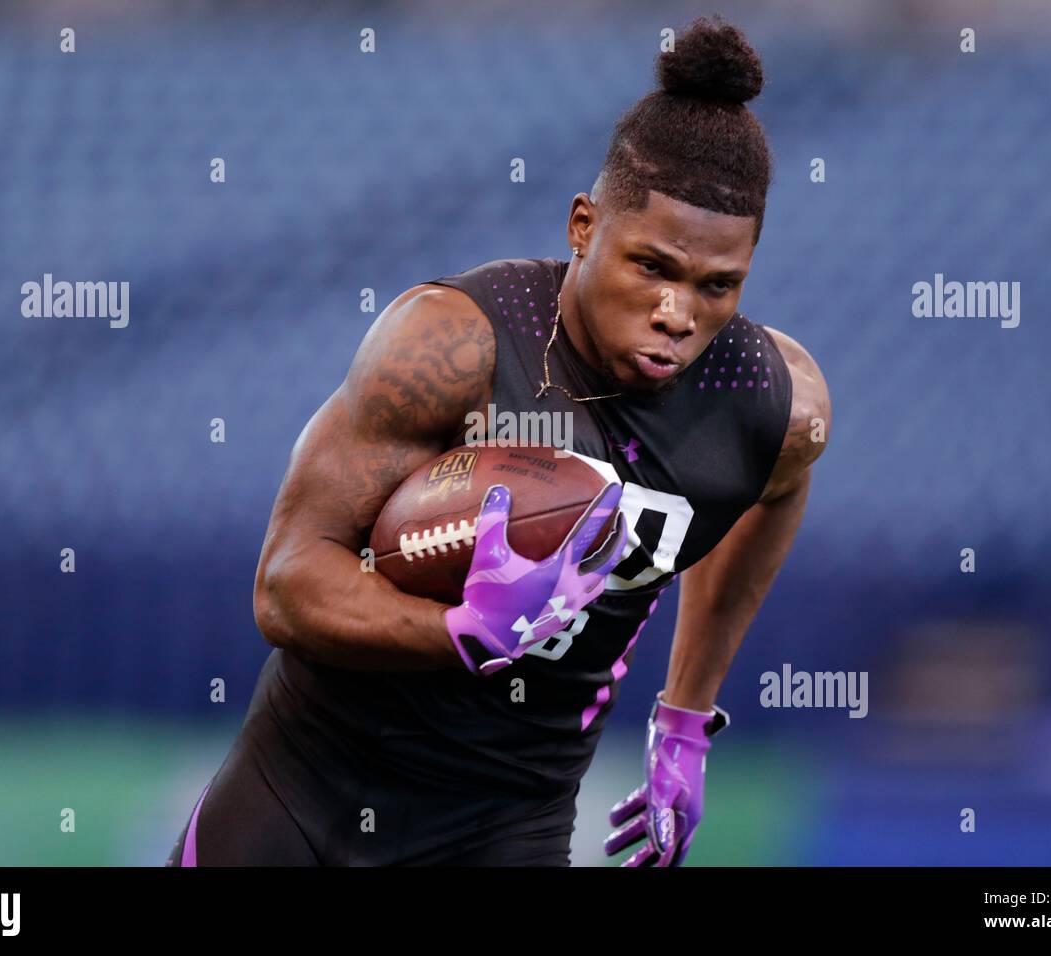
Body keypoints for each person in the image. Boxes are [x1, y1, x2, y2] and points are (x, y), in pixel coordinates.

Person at [167, 13, 830, 867]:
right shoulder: (451, 346)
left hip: (509, 818)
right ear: (583, 226)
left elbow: (776, 488)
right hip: (310, 787)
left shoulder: (771, 405)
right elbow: (286, 585)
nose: (678, 313)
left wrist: (686, 718)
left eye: (718, 285)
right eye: (652, 267)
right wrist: (465, 632)